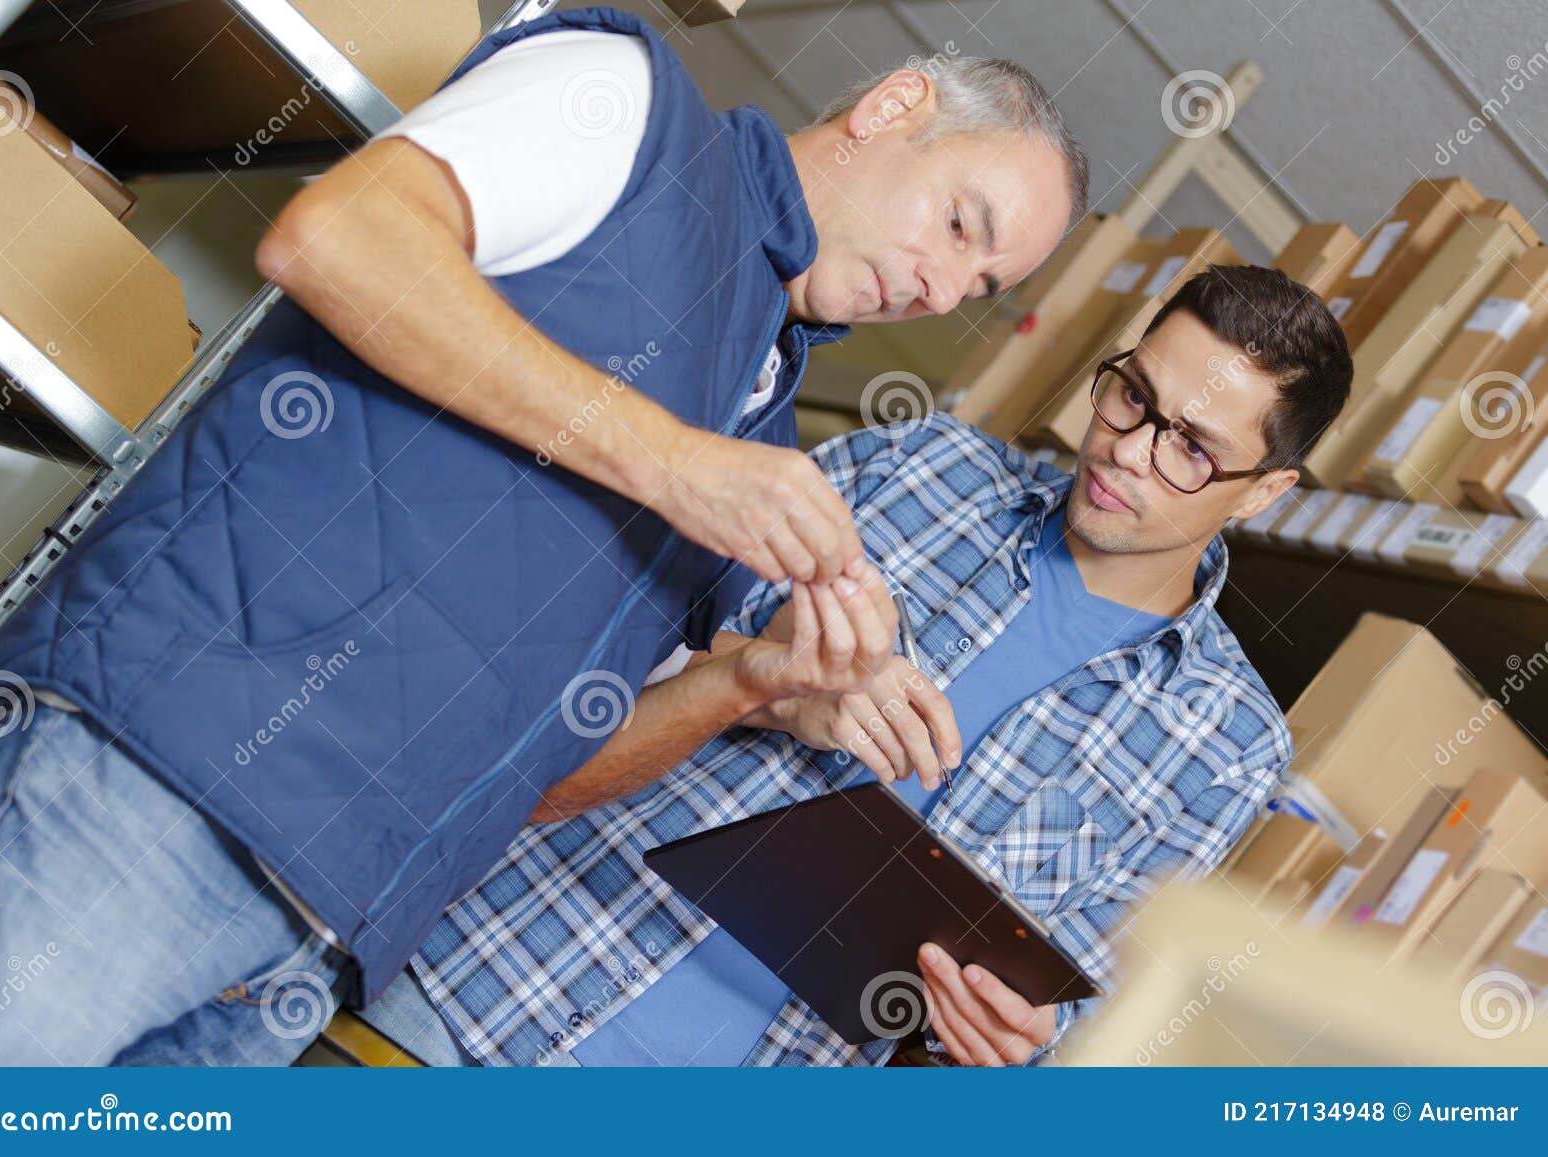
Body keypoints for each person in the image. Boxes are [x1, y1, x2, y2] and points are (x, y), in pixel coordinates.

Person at [0, 9, 1088, 1064]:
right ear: (891, 109)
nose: (939, 287)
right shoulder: (627, 105)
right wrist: (675, 460)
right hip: (169, 782)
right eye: (955, 223)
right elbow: (338, 238)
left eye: (977, 283)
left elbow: (534, 776)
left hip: (320, 939)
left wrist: (753, 678)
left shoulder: (763, 423)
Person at [352, 264, 1354, 1067]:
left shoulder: (1226, 740)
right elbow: (617, 630)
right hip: (484, 983)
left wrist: (1026, 1036)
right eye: (1133, 395)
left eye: (1189, 446)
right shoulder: (924, 466)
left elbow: (1083, 1006)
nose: (1128, 449)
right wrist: (771, 684)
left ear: (1262, 491)